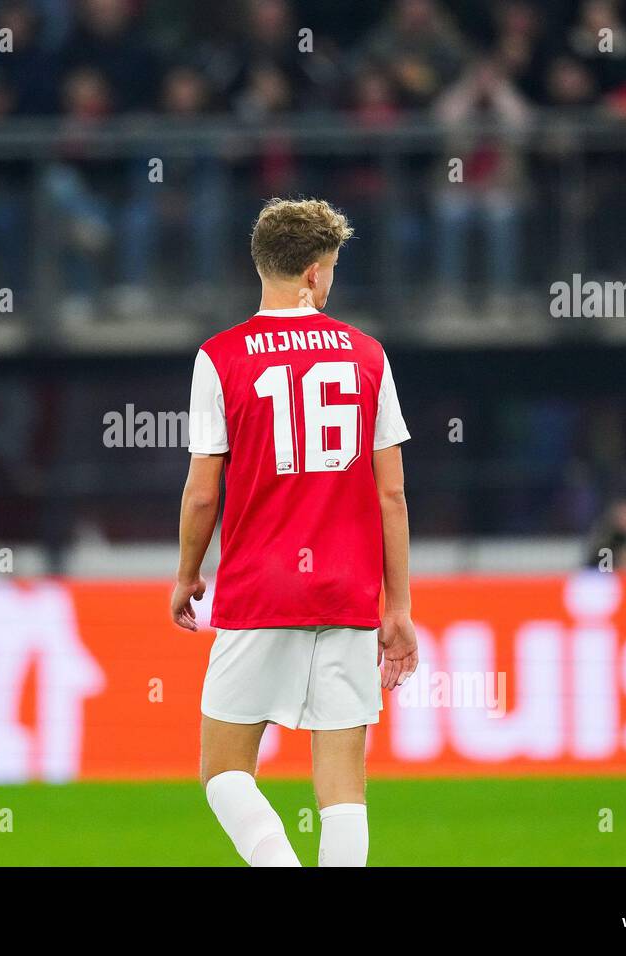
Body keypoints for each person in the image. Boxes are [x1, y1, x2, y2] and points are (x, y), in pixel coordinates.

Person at [171, 198, 418, 867]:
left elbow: (202, 493)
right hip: (347, 587)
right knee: (342, 787)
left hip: (260, 588)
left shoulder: (219, 358)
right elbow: (390, 493)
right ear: (312, 273)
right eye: (332, 268)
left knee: (224, 771)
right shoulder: (368, 356)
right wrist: (397, 607)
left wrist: (189, 572)